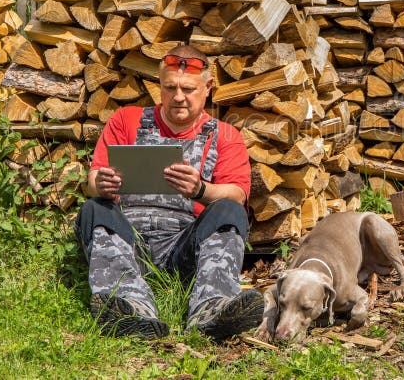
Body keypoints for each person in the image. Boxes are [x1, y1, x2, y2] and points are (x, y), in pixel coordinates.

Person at [74, 44, 263, 340]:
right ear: (159, 86)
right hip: (128, 242)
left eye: (188, 89)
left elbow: (237, 194)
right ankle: (131, 307)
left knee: (230, 209)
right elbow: (92, 179)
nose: (178, 97)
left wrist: (201, 189)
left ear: (208, 88)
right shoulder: (127, 120)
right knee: (93, 208)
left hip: (183, 250)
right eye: (169, 87)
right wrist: (103, 184)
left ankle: (211, 308)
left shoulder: (224, 135)